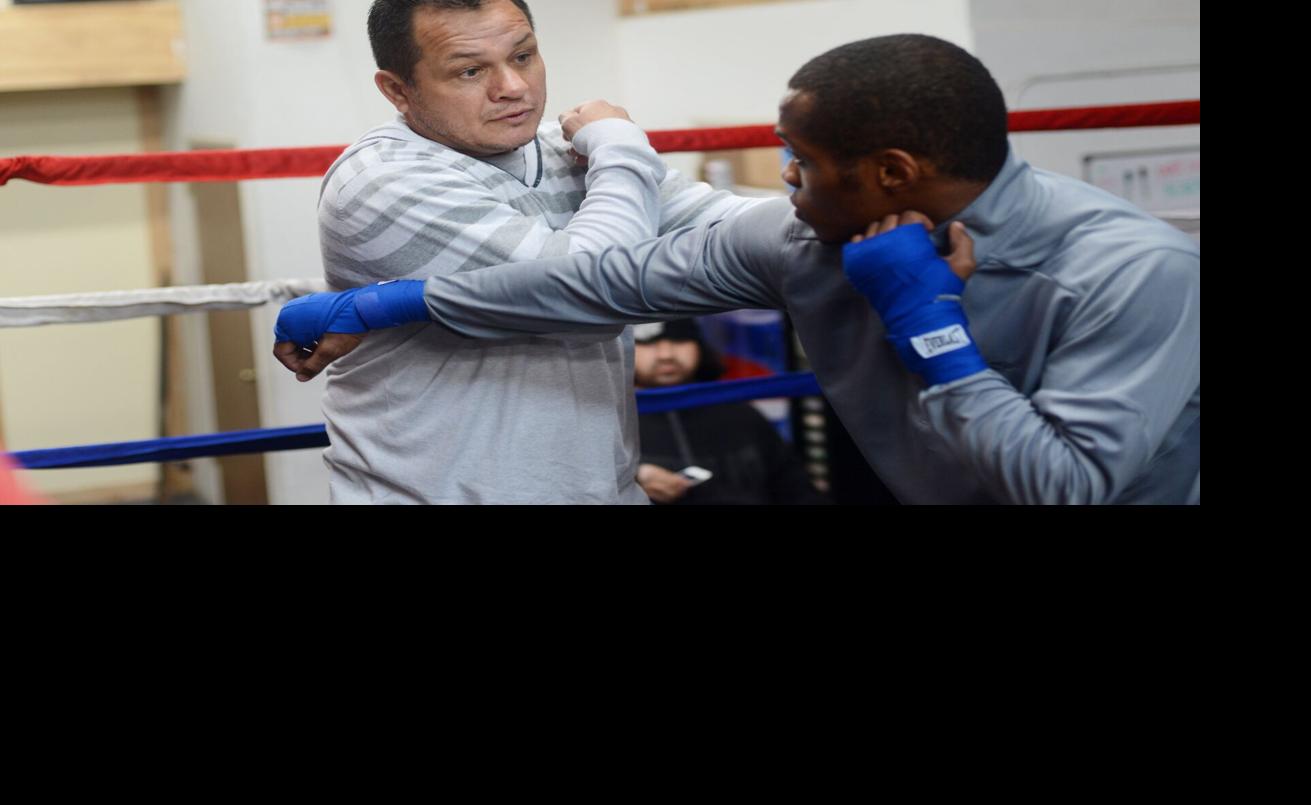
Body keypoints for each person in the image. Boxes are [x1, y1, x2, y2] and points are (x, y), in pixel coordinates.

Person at [278, 33, 1200, 505]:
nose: (784, 179)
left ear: (890, 175)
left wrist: (934, 330)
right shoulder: (802, 238)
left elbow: (1064, 487)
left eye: (800, 159)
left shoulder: (1131, 272)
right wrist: (390, 301)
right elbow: (597, 280)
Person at [274, 0, 756, 503]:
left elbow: (729, 223)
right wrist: (619, 144)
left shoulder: (568, 151)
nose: (514, 87)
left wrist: (839, 224)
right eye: (470, 70)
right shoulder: (382, 180)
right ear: (398, 90)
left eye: (523, 56)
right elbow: (592, 288)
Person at [632, 320, 827, 505]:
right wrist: (632, 478)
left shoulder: (742, 414)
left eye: (680, 339)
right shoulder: (615, 422)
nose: (666, 354)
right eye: (648, 342)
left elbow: (796, 491)